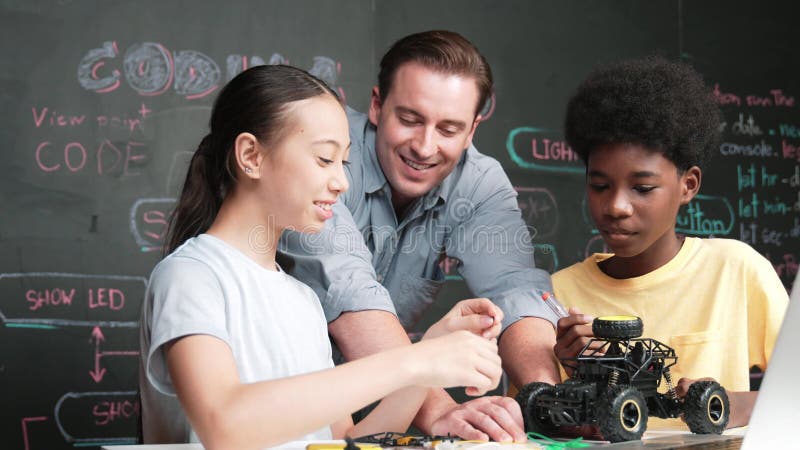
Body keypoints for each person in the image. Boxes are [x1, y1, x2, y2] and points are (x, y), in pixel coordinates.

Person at [138, 64, 507, 449]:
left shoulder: (304, 301)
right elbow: (224, 424)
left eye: (344, 162)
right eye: (324, 159)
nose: (342, 182)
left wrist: (426, 363)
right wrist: (416, 361)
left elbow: (343, 440)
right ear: (251, 155)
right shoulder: (191, 277)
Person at [279, 30, 560, 442]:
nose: (425, 147)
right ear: (377, 105)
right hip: (276, 405)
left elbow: (515, 290)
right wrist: (443, 412)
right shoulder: (328, 155)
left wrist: (551, 402)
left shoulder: (480, 182)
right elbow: (350, 290)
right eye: (409, 120)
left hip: (375, 415)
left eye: (449, 129)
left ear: (472, 130)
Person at [552, 56, 789, 430]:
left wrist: (726, 406)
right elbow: (531, 428)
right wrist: (570, 377)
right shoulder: (556, 295)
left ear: (688, 186)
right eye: (599, 186)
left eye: (643, 188)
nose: (616, 206)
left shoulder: (735, 270)